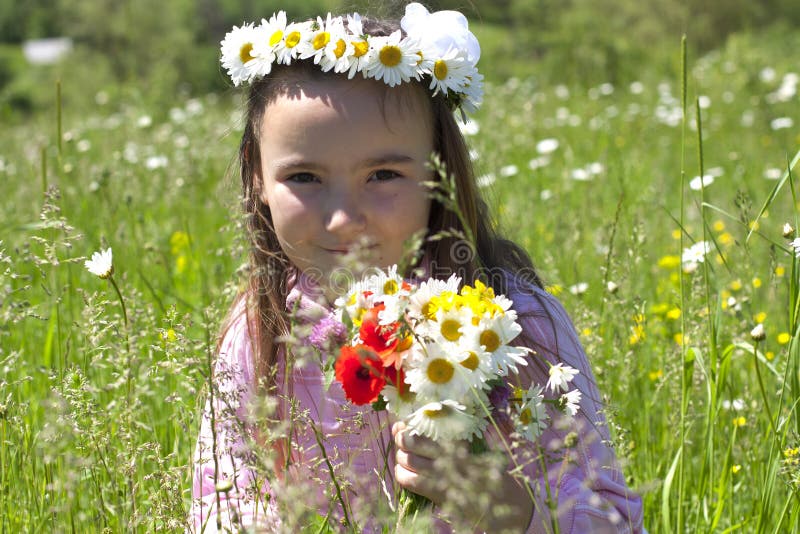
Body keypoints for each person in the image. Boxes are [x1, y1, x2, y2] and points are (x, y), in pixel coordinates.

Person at [191, 3, 645, 532]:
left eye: (383, 174)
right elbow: (218, 510)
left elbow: (616, 521)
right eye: (305, 178)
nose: (342, 219)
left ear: (440, 173)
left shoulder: (515, 325)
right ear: (256, 178)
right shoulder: (258, 334)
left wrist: (513, 510)